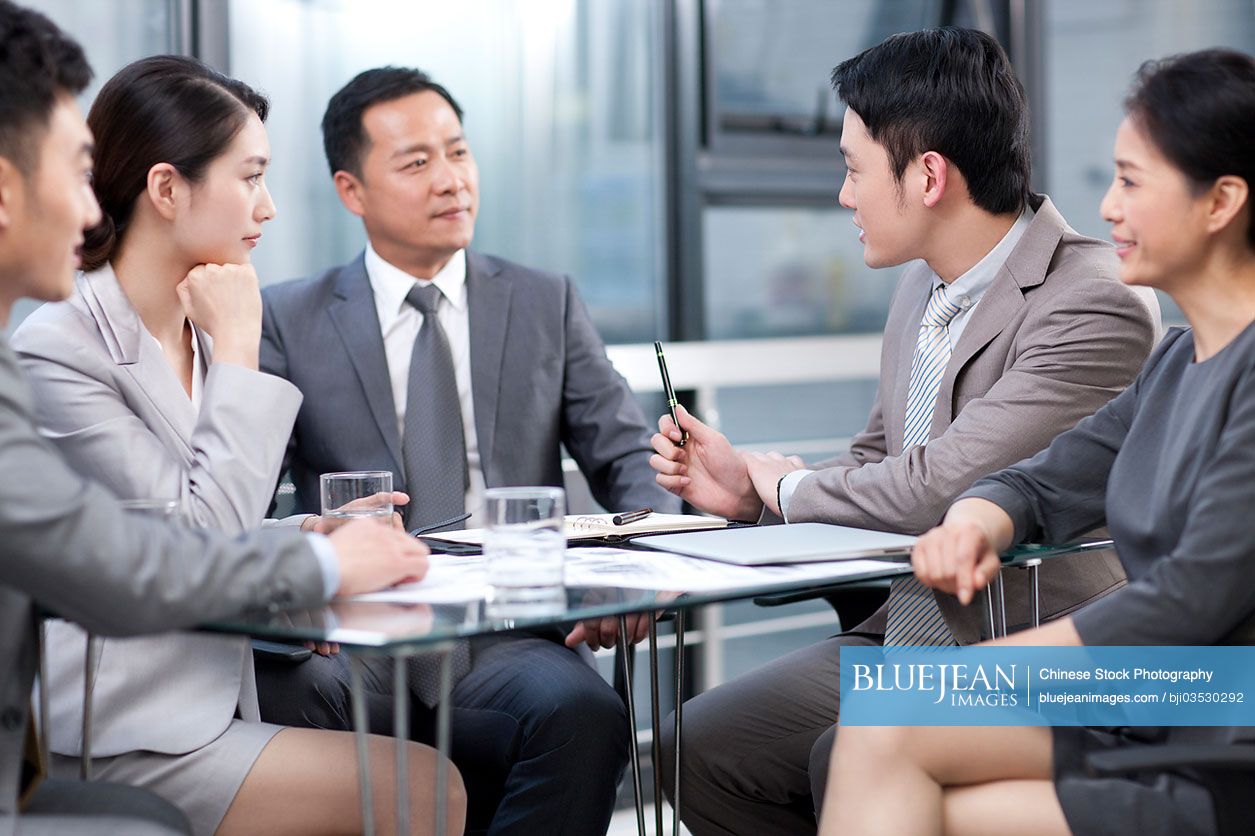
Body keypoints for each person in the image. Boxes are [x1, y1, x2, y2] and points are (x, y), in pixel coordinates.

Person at [648, 28, 1161, 835]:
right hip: (907, 631)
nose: (842, 195)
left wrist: (782, 487)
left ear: (927, 176)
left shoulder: (1091, 300)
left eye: (853, 170)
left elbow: (940, 485)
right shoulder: (922, 286)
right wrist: (752, 495)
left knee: (843, 750)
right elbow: (878, 458)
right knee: (695, 743)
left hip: (1041, 648)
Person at [0, 3, 440, 834]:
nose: (267, 208)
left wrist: (311, 533)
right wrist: (241, 352)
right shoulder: (58, 350)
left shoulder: (196, 333)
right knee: (424, 787)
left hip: (210, 695)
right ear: (167, 188)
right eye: (249, 177)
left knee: (445, 756)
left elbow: (169, 530)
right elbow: (180, 541)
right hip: (120, 724)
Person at [820, 47, 1255, 836]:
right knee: (887, 739)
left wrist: (986, 671)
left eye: (1130, 182)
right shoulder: (1174, 366)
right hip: (1167, 695)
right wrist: (973, 520)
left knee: (897, 725)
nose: (1108, 208)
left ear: (1221, 201)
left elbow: (1189, 600)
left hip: (1220, 708)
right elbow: (1044, 480)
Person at [256, 66, 675, 835]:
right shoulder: (287, 316)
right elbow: (244, 492)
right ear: (352, 191)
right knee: (281, 687)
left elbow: (627, 456)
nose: (451, 180)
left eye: (458, 152)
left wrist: (639, 571)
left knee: (582, 709)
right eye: (416, 162)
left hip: (506, 630)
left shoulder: (544, 300)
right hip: (358, 632)